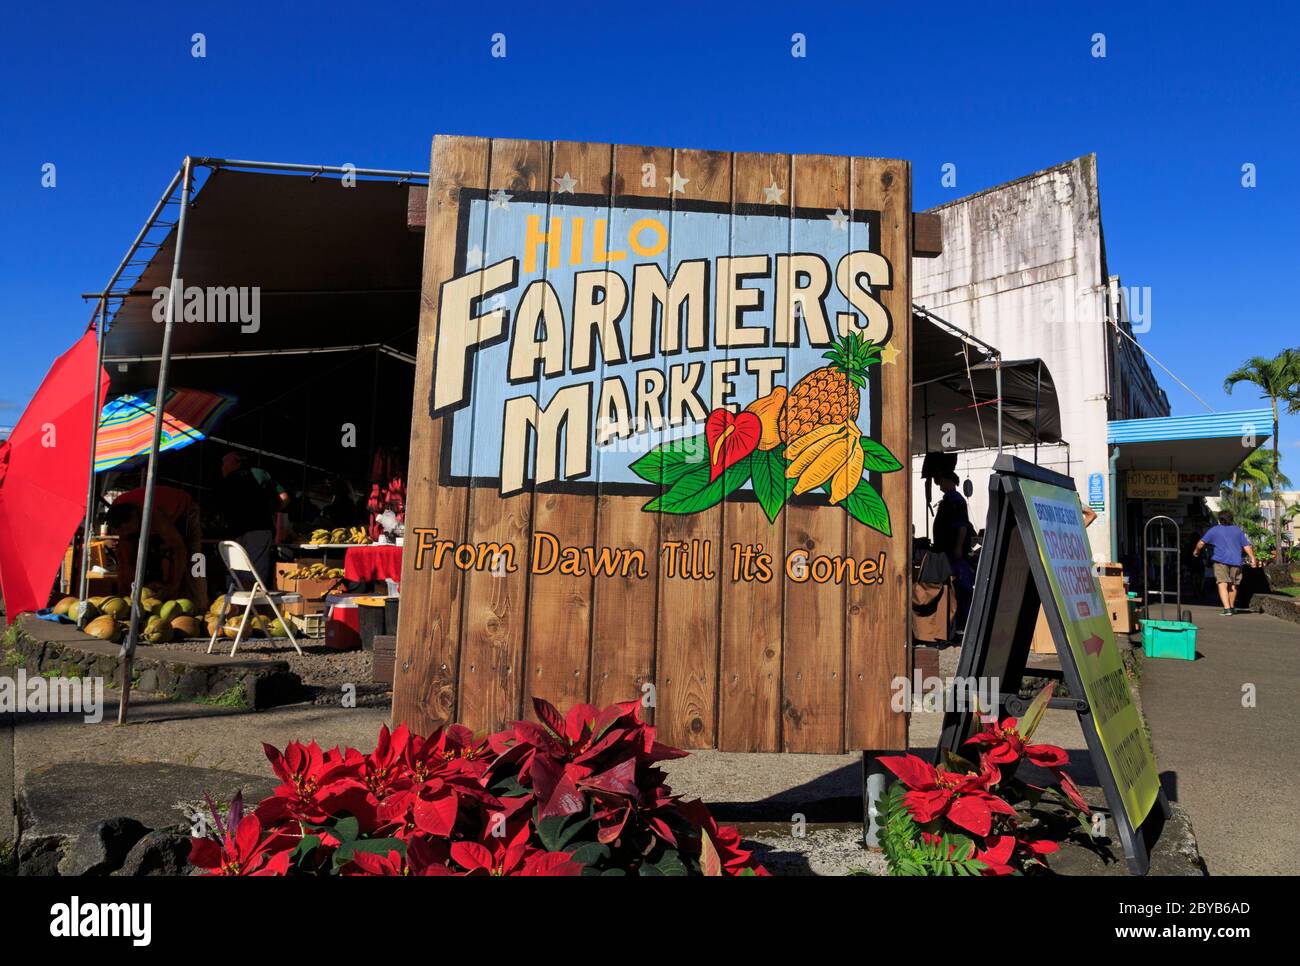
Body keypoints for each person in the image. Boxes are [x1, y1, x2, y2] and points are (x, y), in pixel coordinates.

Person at [106, 483, 207, 606]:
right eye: (123, 532)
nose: (127, 533)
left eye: (130, 529)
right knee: (125, 555)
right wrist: (125, 597)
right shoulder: (117, 508)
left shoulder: (152, 514)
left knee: (194, 557)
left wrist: (174, 586)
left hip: (186, 509)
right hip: (152, 511)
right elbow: (126, 561)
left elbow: (179, 549)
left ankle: (199, 603)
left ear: (134, 517)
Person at [215, 451, 289, 585]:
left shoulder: (227, 481)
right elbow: (284, 497)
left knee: (235, 570)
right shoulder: (261, 473)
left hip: (236, 532)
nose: (222, 467)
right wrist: (270, 512)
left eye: (224, 463)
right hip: (260, 529)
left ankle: (238, 602)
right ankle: (250, 602)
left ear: (237, 463)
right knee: (254, 571)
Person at [1193, 510, 1258, 615]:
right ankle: (1231, 607)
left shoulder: (1214, 530)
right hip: (1236, 561)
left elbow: (1201, 543)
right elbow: (1246, 545)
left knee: (1222, 583)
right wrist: (1253, 558)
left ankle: (1227, 609)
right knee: (1233, 584)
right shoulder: (1237, 530)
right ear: (1231, 519)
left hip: (1220, 561)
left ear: (1220, 519)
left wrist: (1196, 551)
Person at [932, 471, 974, 628]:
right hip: (946, 553)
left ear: (950, 481)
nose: (939, 484)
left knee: (959, 587)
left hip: (953, 555)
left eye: (941, 480)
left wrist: (957, 548)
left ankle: (962, 623)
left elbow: (962, 526)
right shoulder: (948, 500)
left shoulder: (956, 501)